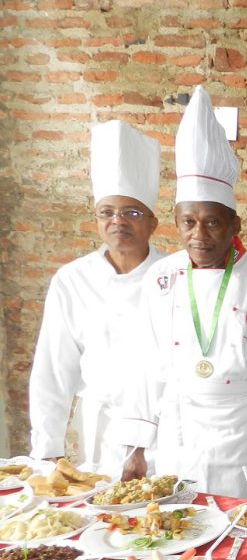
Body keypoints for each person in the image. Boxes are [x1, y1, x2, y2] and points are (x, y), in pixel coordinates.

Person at [119, 85, 247, 500]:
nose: (198, 235)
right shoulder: (161, 278)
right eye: (189, 222)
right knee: (178, 534)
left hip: (245, 437)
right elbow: (146, 366)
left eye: (212, 223)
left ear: (235, 224)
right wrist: (136, 446)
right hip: (178, 436)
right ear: (175, 221)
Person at [29, 121, 165, 477]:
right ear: (96, 220)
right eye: (107, 212)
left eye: (131, 212)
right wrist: (47, 450)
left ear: (153, 222)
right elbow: (52, 371)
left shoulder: (174, 275)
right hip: (98, 431)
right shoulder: (72, 280)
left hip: (163, 432)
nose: (118, 221)